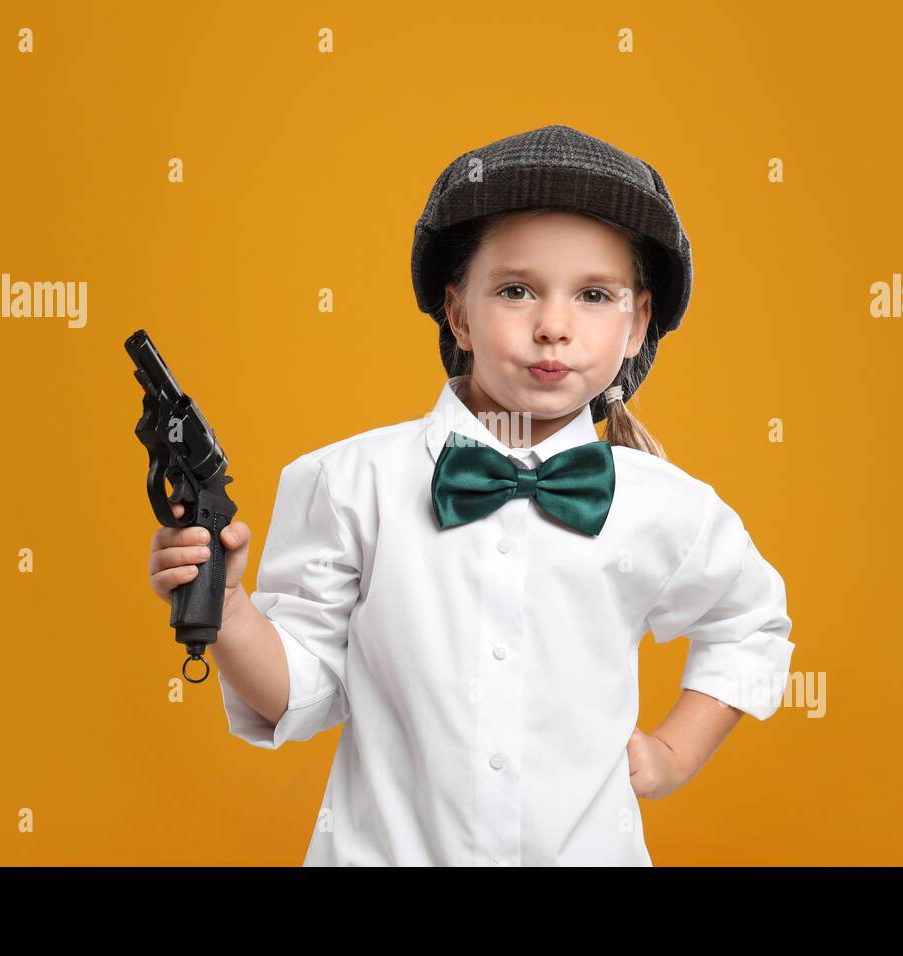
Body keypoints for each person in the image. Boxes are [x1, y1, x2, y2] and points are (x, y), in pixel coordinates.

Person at [147, 125, 795, 865]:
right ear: (458, 314)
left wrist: (675, 753)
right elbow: (298, 691)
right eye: (516, 290)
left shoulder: (665, 506)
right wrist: (227, 611)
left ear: (637, 322)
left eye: (593, 295)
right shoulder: (350, 484)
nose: (554, 327)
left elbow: (749, 624)